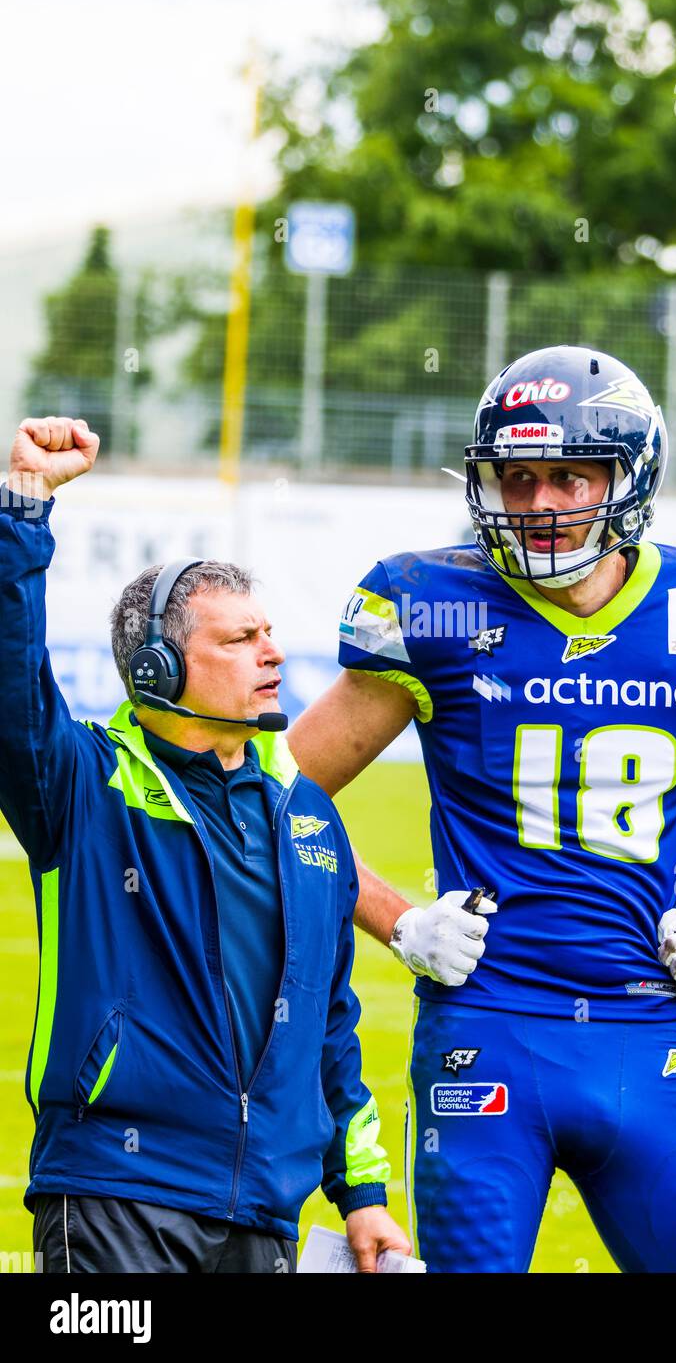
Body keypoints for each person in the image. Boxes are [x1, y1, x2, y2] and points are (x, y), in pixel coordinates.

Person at [288, 345, 676, 1273]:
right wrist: (400, 924)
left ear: (629, 478)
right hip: (485, 1030)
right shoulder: (429, 603)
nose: (541, 504)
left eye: (569, 476)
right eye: (517, 479)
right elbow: (279, 792)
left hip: (647, 1031)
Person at [1, 416, 408, 1274]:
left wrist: (363, 1197)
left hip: (265, 1213)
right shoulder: (83, 783)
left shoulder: (308, 819)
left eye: (267, 632)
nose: (272, 653)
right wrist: (23, 506)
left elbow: (330, 1022)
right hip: (117, 1196)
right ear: (156, 670)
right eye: (238, 640)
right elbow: (9, 680)